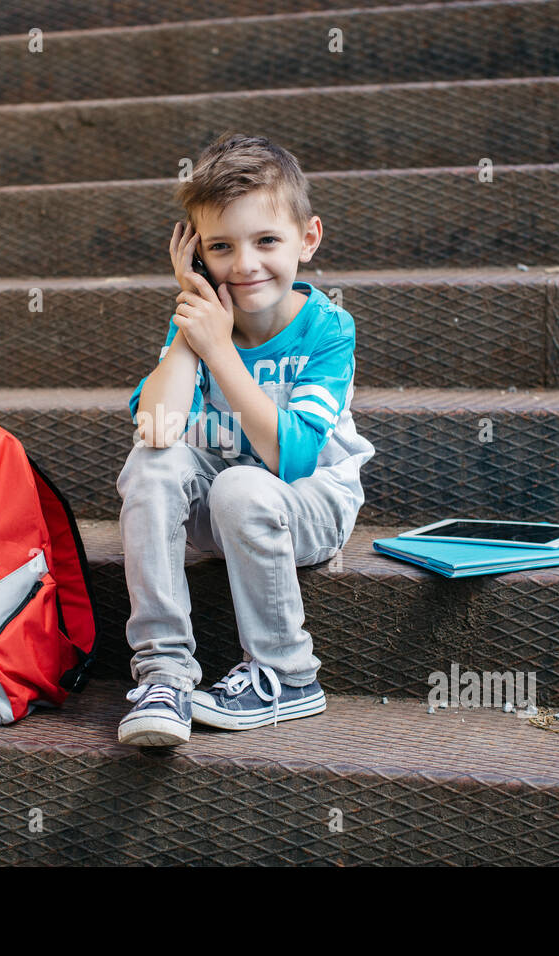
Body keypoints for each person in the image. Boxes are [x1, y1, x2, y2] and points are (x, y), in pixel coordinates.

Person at [116, 132, 375, 746]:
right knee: (152, 464)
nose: (246, 264)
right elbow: (156, 426)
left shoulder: (327, 330)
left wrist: (219, 352)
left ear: (308, 239)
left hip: (306, 506)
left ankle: (288, 673)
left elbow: (293, 457)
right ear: (197, 254)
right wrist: (192, 323)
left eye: (266, 241)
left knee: (241, 485)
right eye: (222, 247)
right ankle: (164, 672)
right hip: (222, 510)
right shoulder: (200, 322)